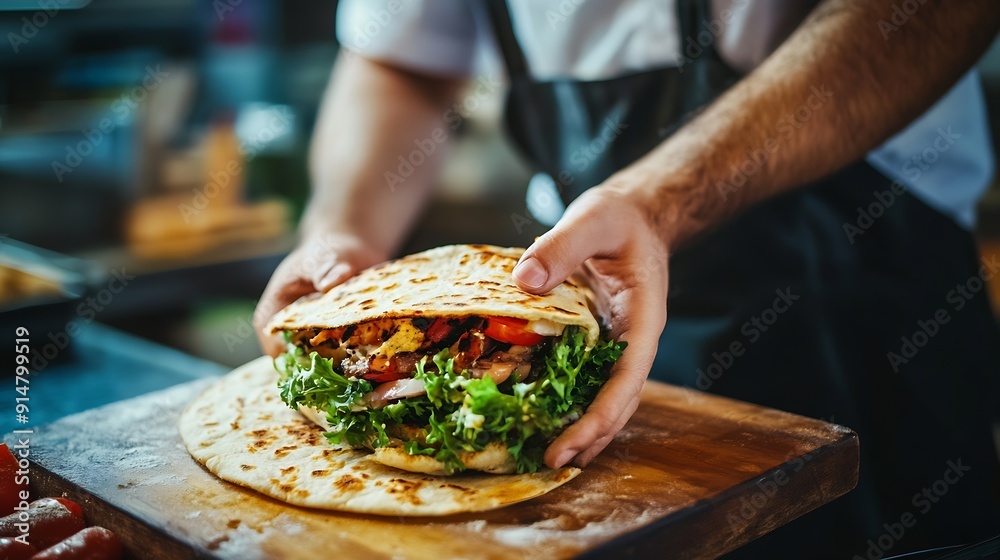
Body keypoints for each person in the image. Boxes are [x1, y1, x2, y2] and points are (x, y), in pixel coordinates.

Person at [255, 1, 1000, 556]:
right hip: (587, 300)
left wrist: (658, 201)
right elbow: (403, 60)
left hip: (868, 291)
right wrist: (342, 232)